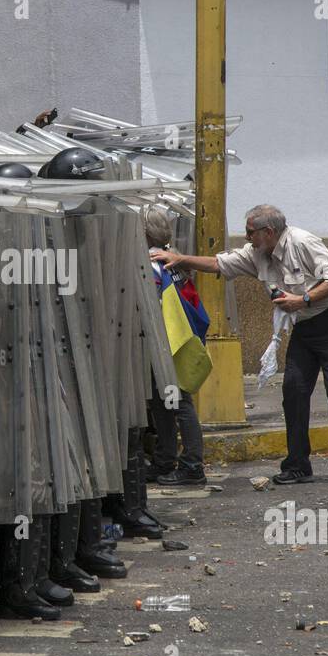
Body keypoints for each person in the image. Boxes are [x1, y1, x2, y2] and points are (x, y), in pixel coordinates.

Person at [150, 204, 328, 488]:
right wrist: (180, 259)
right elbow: (219, 264)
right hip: (304, 327)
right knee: (293, 391)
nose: (247, 238)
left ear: (268, 232)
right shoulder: (256, 253)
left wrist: (302, 300)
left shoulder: (302, 242)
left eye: (250, 233)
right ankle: (297, 466)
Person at [143, 205, 207, 487]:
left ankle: (192, 465)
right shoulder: (174, 260)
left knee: (177, 403)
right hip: (178, 341)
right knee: (163, 403)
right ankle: (165, 460)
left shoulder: (151, 264)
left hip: (164, 343)